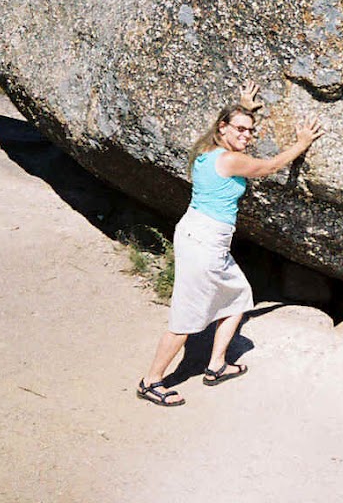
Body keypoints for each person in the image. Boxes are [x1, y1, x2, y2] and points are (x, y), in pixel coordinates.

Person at [136, 83, 324, 407]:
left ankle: (216, 365)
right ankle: (151, 381)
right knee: (187, 318)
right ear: (222, 128)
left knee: (239, 296)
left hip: (202, 236)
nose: (247, 135)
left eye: (250, 131)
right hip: (204, 242)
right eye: (240, 129)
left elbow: (234, 131)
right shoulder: (229, 160)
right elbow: (269, 168)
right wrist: (302, 142)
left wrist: (244, 108)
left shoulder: (205, 152)